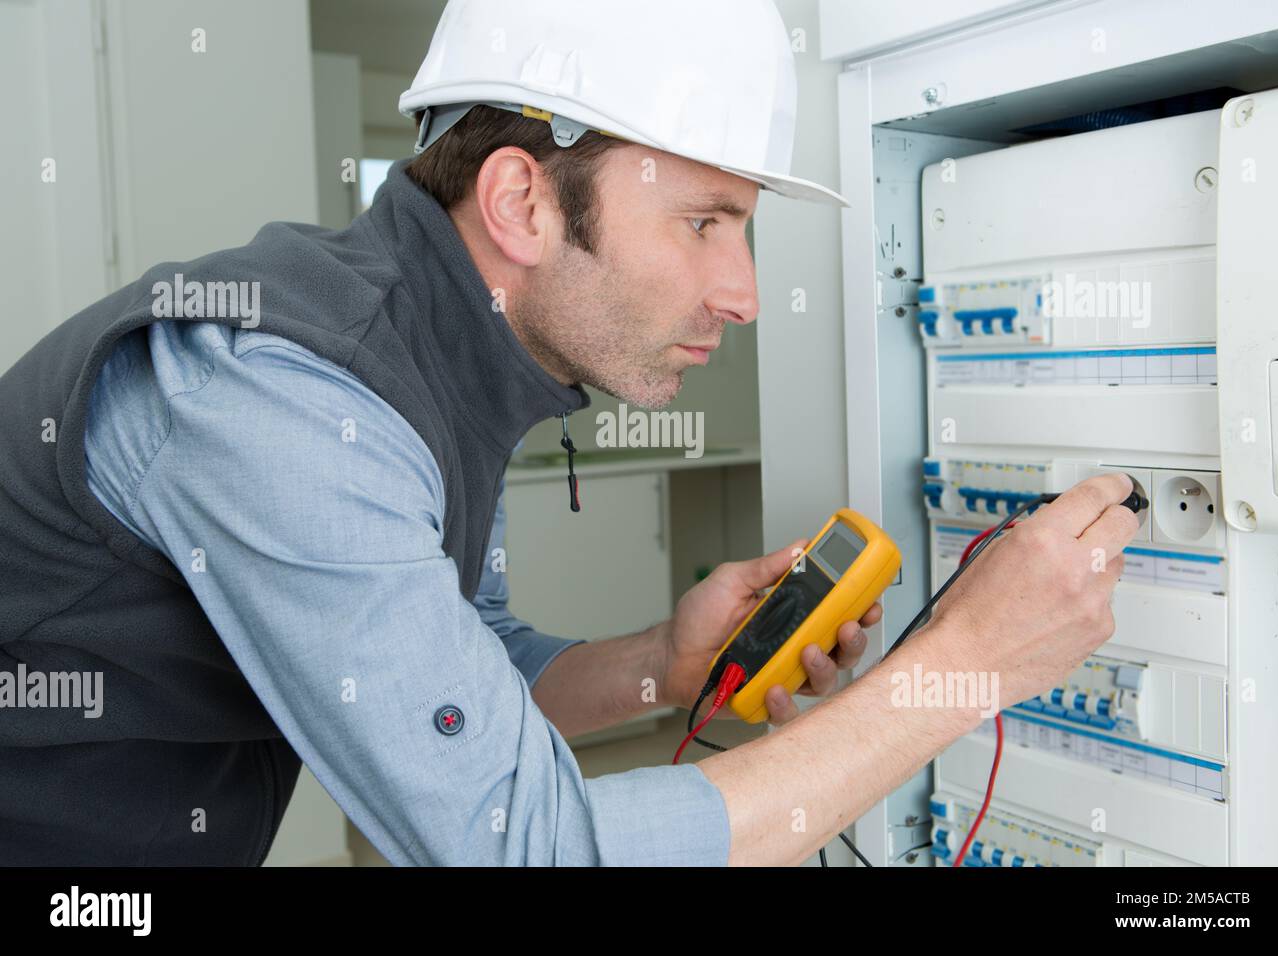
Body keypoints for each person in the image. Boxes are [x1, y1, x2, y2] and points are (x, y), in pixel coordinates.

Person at [0, 0, 1139, 865]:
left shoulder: (445, 357)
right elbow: (514, 842)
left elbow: (456, 663)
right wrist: (966, 665)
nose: (742, 293)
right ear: (522, 202)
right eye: (704, 222)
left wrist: (659, 662)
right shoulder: (289, 396)